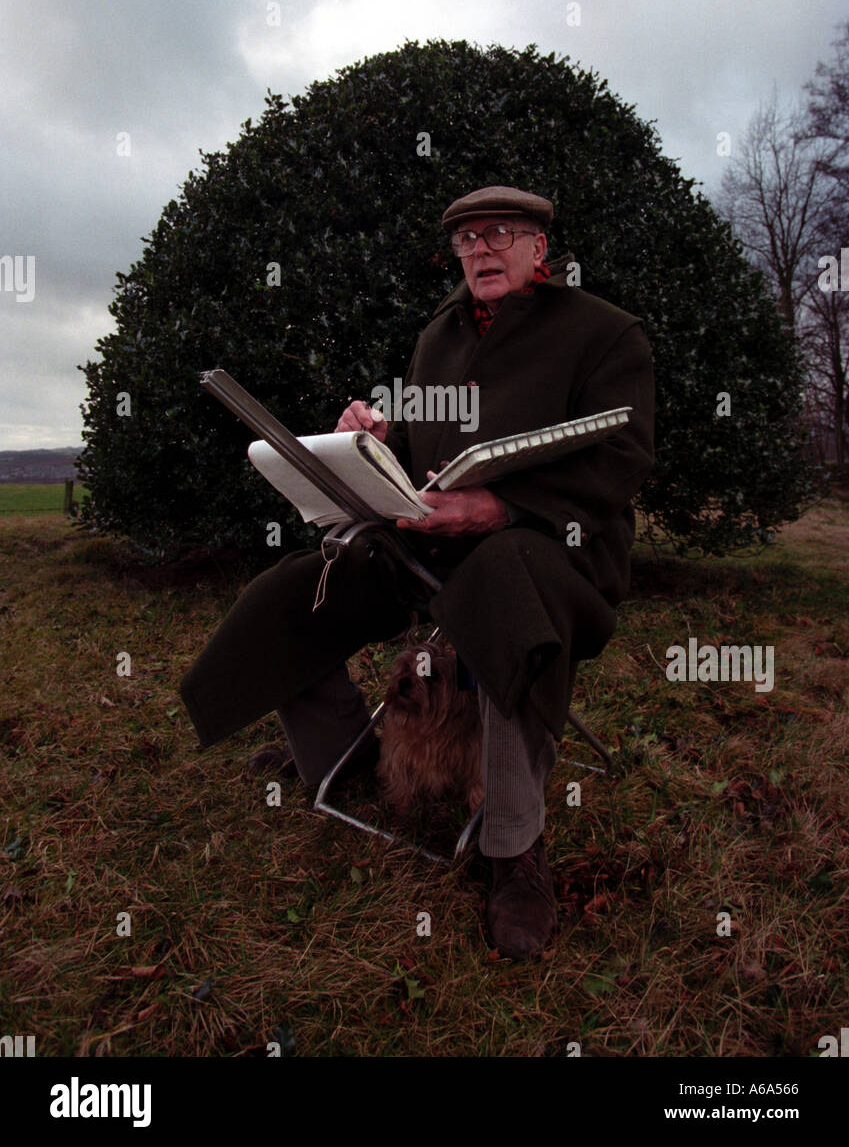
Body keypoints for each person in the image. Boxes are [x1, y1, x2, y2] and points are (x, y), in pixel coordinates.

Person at [179, 185, 655, 960]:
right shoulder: (439, 334)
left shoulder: (603, 333)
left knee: (505, 593)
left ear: (539, 246)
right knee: (290, 592)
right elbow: (417, 456)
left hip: (551, 547)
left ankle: (514, 849)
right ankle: (345, 755)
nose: (479, 249)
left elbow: (622, 458)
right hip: (428, 545)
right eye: (465, 239)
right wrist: (371, 441)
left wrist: (498, 508)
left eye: (498, 233)